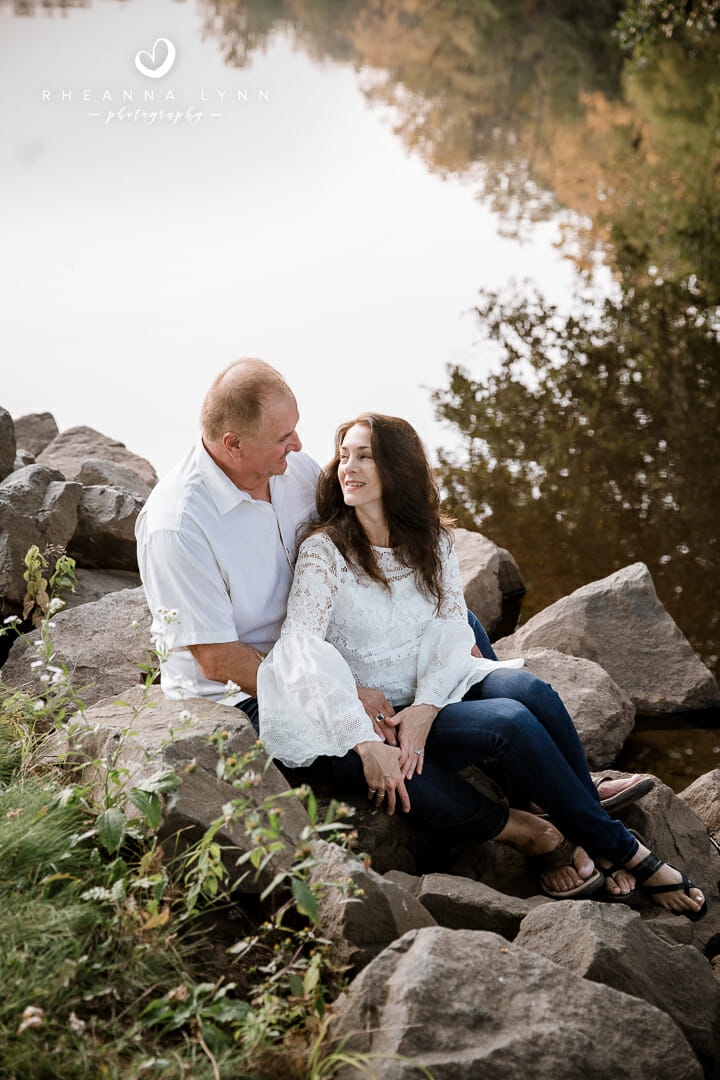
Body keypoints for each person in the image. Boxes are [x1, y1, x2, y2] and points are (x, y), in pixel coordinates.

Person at [135, 359, 658, 899]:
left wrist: (406, 586)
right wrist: (341, 696)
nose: (299, 446)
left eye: (297, 429)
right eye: (283, 438)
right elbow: (218, 658)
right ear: (231, 442)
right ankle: (527, 831)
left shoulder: (286, 467)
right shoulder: (179, 524)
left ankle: (560, 789)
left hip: (322, 637)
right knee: (372, 752)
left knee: (458, 624)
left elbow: (346, 534)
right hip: (249, 688)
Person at [257, 413, 706, 916]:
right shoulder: (326, 550)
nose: (349, 468)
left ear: (397, 469)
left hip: (433, 690)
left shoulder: (432, 540)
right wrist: (362, 727)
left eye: (365, 456)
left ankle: (579, 817)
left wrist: (426, 708)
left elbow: (453, 628)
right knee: (510, 723)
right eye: (344, 455)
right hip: (379, 715)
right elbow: (301, 645)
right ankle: (624, 849)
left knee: (533, 692)